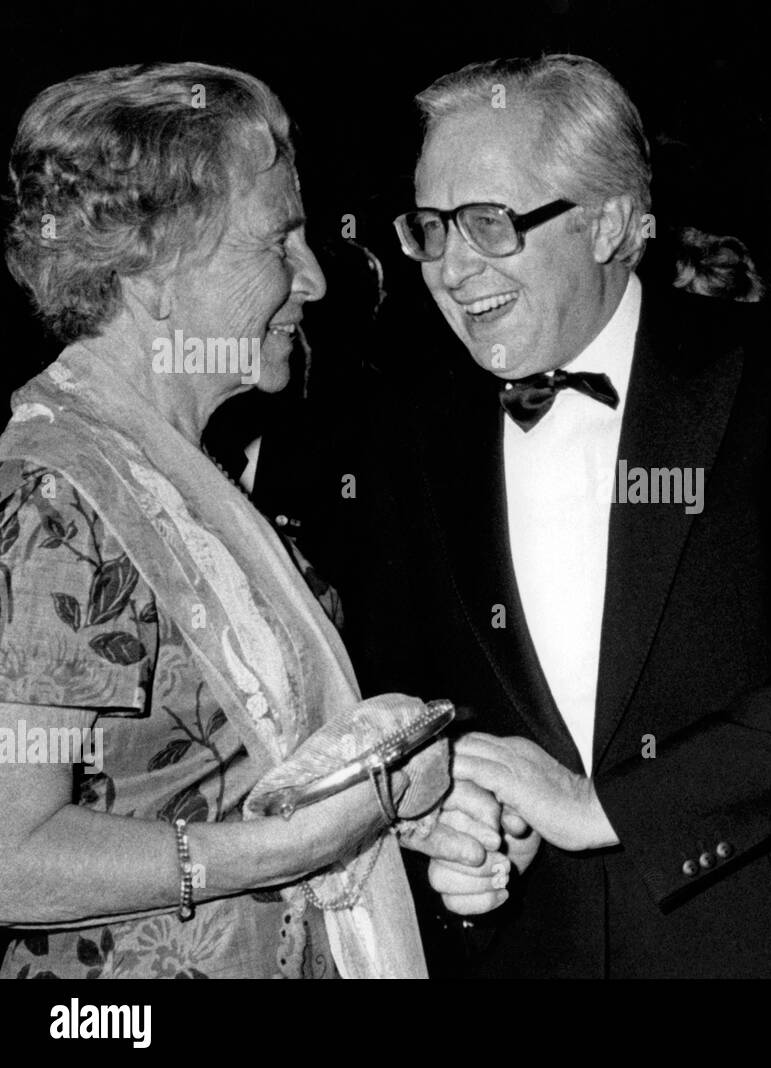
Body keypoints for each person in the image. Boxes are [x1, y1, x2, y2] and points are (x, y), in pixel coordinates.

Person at [329, 53, 771, 977]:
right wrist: (443, 821)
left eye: (490, 223)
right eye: (431, 229)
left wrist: (609, 811)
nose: (450, 267)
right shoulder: (397, 435)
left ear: (606, 224)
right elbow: (391, 699)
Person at [0, 62, 472, 979]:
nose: (313, 280)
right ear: (155, 271)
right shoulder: (52, 500)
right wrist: (293, 850)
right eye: (278, 239)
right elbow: (12, 858)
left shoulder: (185, 477)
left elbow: (215, 777)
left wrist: (396, 800)